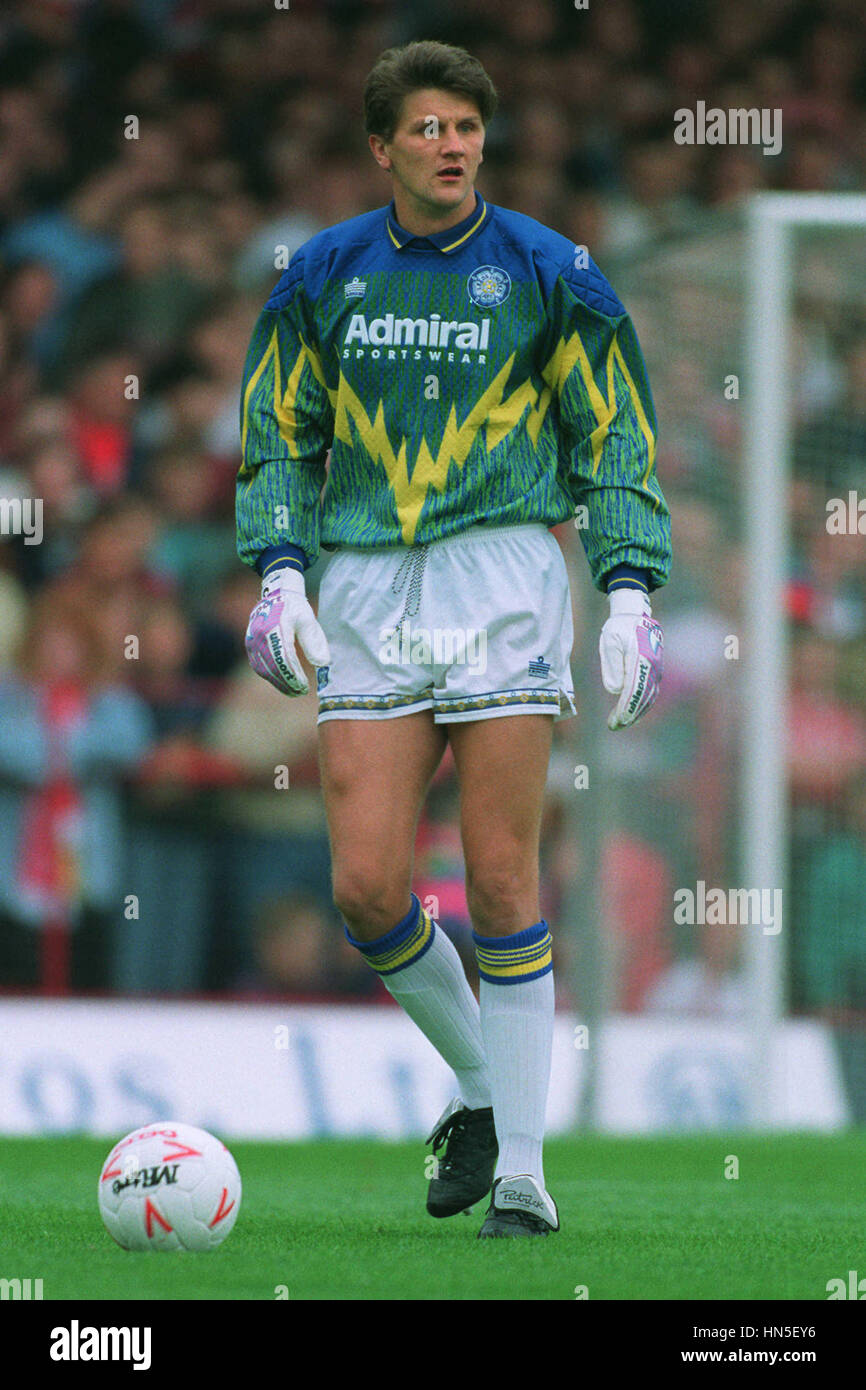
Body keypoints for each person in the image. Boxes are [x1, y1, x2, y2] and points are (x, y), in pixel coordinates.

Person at [237, 40, 670, 1238]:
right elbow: (278, 433)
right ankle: (482, 1089)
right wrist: (277, 570)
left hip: (503, 573)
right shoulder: (320, 273)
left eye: (466, 127)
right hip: (366, 580)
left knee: (498, 877)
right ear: (381, 146)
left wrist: (628, 586)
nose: (451, 144)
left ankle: (524, 1177)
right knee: (367, 889)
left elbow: (614, 437)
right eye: (426, 128)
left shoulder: (551, 270)